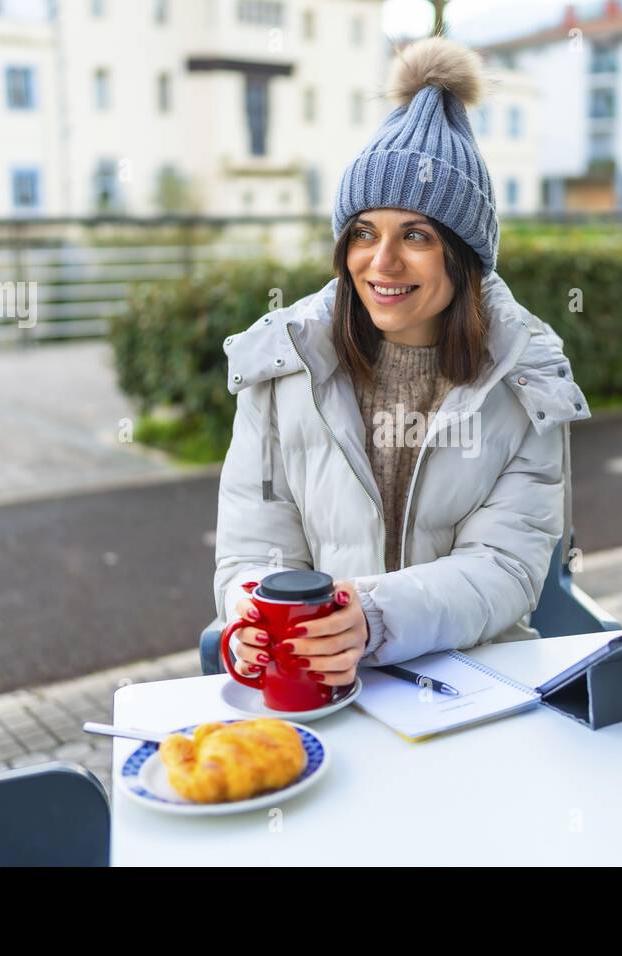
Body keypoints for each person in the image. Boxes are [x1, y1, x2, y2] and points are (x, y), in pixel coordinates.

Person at [213, 35, 591, 688]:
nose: (381, 261)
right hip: (319, 687)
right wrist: (252, 610)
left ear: (463, 255)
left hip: (477, 689)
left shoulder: (527, 377)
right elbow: (252, 548)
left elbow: (507, 568)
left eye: (415, 235)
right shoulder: (283, 366)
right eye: (363, 231)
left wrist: (376, 618)